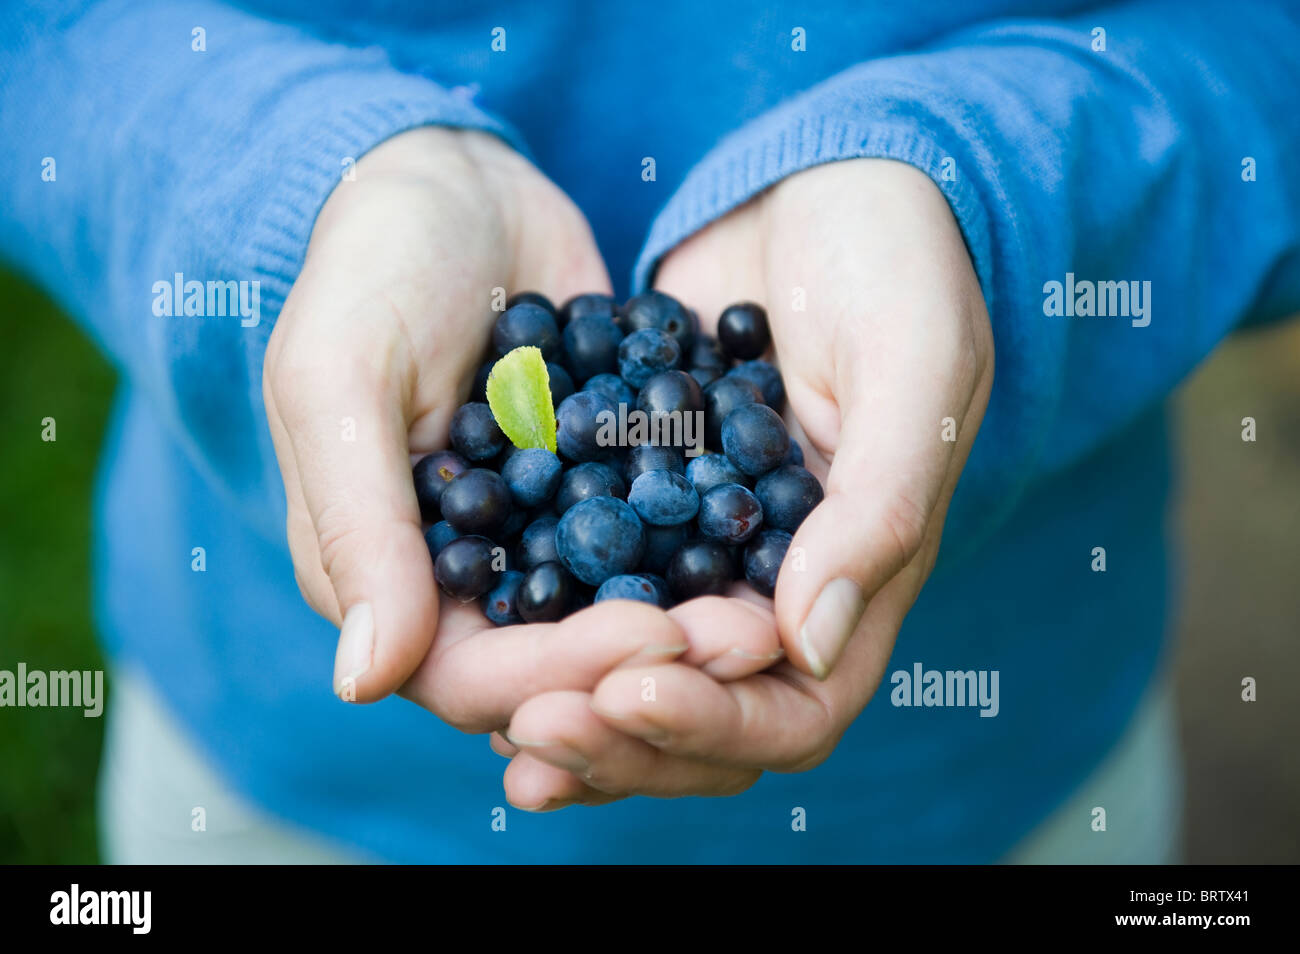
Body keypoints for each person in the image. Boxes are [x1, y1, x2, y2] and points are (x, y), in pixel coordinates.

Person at [2, 0, 1297, 863]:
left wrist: (985, 196)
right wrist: (308, 180)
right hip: (296, 784)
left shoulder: (690, 452)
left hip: (985, 782)